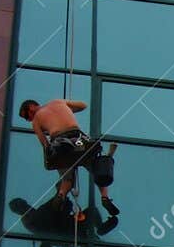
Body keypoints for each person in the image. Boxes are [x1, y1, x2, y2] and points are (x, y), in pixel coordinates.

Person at [19, 96, 119, 224]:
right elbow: (83, 105)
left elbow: (44, 144)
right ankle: (105, 198)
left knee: (67, 178)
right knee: (98, 170)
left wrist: (51, 156)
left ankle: (61, 195)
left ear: (31, 107)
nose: (28, 119)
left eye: (26, 116)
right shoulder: (58, 102)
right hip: (78, 140)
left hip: (60, 144)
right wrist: (67, 109)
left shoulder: (36, 120)